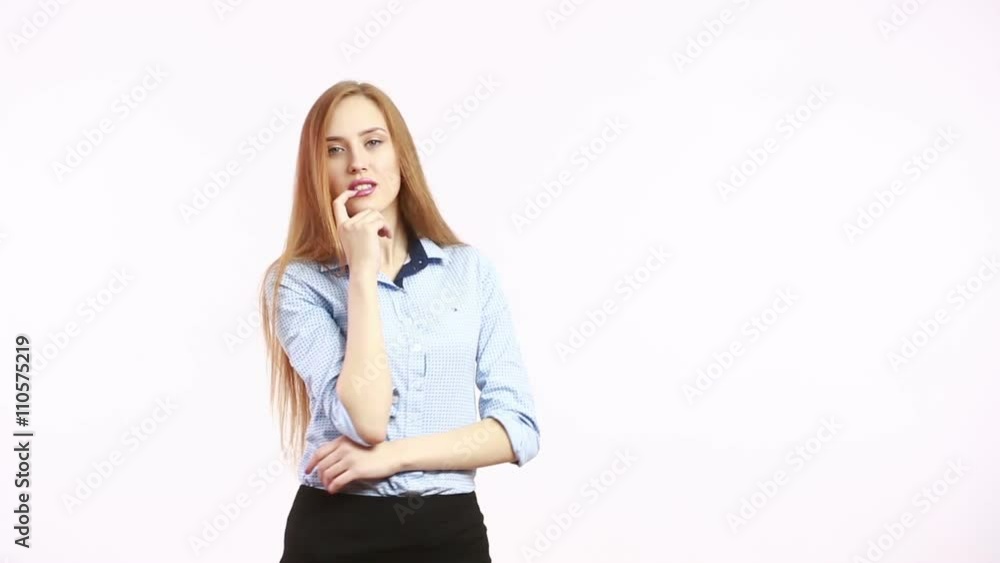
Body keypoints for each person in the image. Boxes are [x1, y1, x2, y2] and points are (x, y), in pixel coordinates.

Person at [259, 81, 541, 562]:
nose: (356, 163)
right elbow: (367, 421)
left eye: (373, 142)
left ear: (399, 154)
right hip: (336, 532)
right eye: (334, 150)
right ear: (316, 169)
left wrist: (394, 456)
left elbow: (517, 429)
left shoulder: (469, 272)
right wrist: (362, 271)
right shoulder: (296, 282)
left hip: (449, 532)